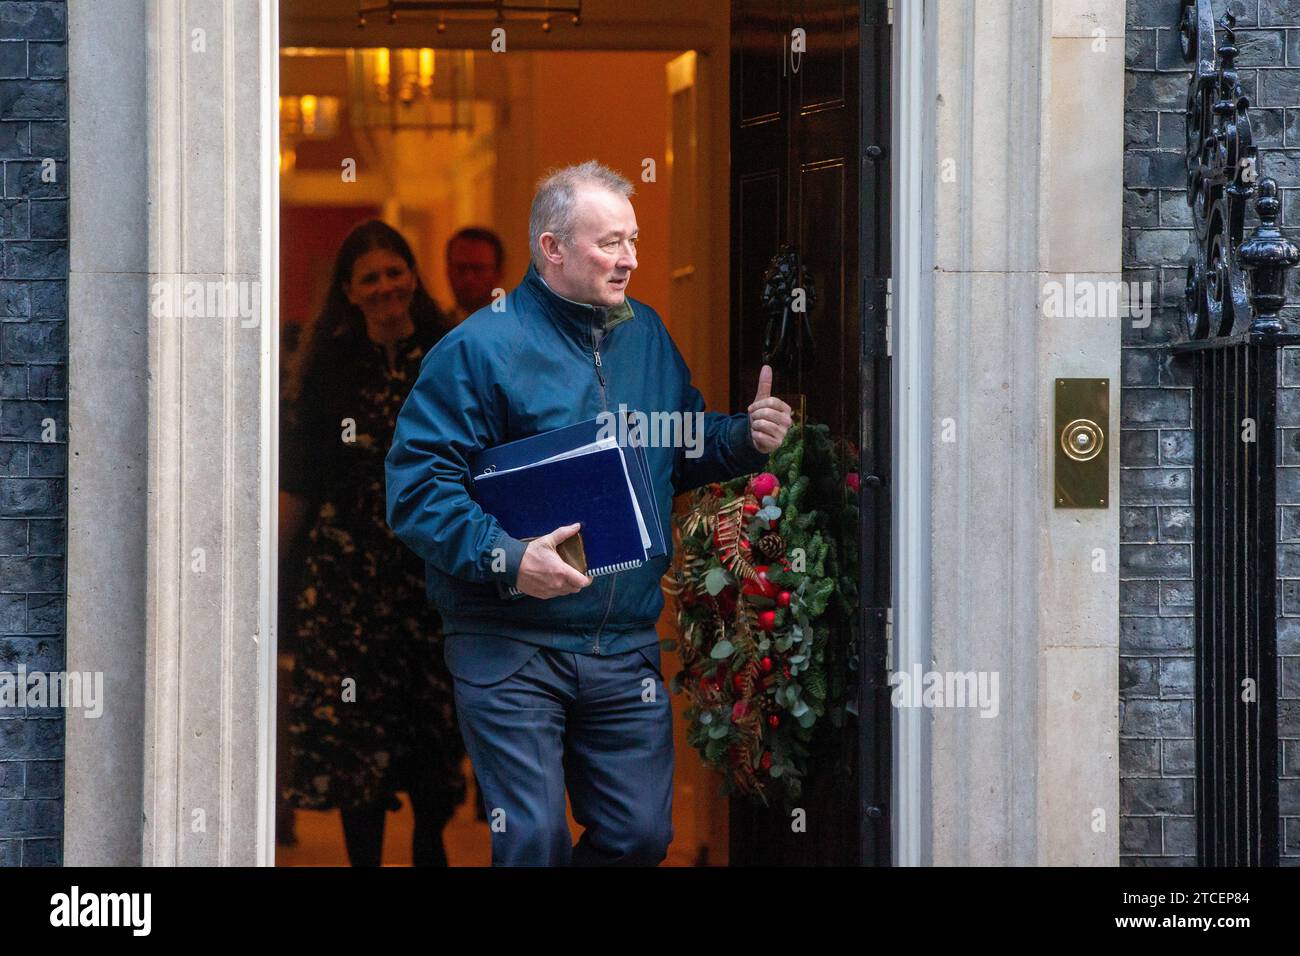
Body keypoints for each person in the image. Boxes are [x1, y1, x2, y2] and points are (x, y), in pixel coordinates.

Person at [385, 161, 793, 866]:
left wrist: (741, 438)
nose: (629, 258)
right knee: (533, 841)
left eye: (631, 240)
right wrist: (510, 558)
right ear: (553, 248)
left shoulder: (647, 336)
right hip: (509, 643)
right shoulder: (478, 350)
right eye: (610, 242)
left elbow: (678, 445)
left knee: (640, 838)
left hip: (622, 642)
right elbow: (418, 489)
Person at [280, 219, 467, 866]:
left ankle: (430, 841)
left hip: (434, 575)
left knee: (433, 731)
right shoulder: (330, 366)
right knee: (356, 736)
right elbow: (299, 480)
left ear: (413, 276)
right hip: (346, 584)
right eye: (370, 278)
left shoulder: (452, 353)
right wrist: (260, 579)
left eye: (395, 271)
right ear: (350, 291)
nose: (386, 286)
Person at [444, 226, 505, 324]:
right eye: (461, 268)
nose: (469, 278)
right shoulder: (435, 331)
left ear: (498, 273)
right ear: (449, 271)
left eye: (478, 269)